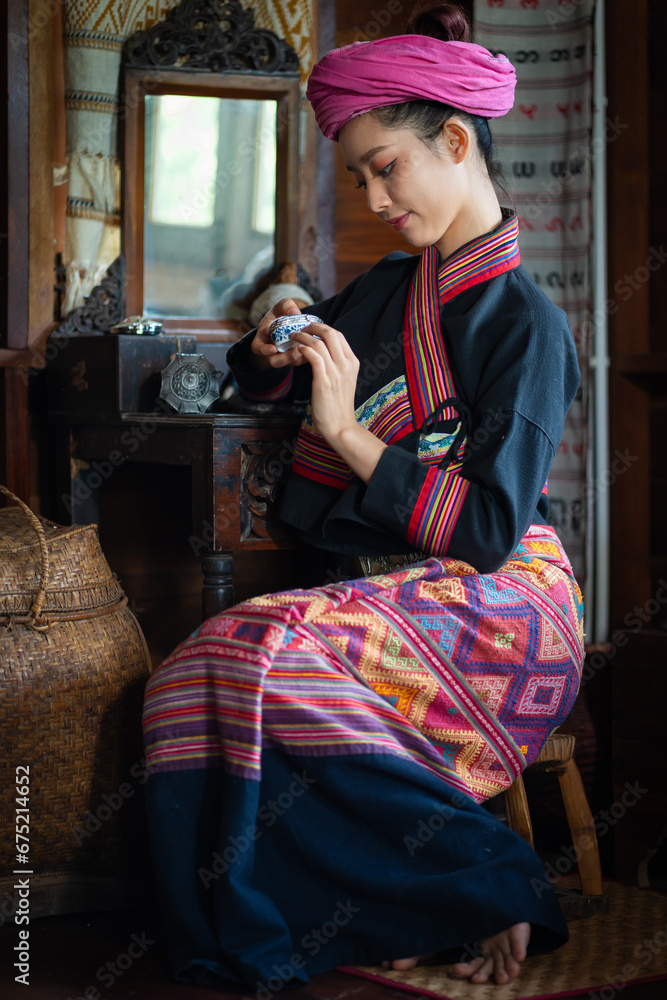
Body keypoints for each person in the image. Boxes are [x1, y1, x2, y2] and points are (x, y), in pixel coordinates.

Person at [142, 1, 584, 989]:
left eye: (387, 165)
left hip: (505, 603)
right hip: (381, 594)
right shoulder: (385, 290)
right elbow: (274, 379)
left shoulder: (527, 327)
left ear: (458, 140)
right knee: (183, 681)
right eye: (360, 176)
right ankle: (256, 932)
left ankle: (488, 883)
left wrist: (346, 433)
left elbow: (482, 527)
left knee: (258, 652)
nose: (375, 195)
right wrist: (274, 347)